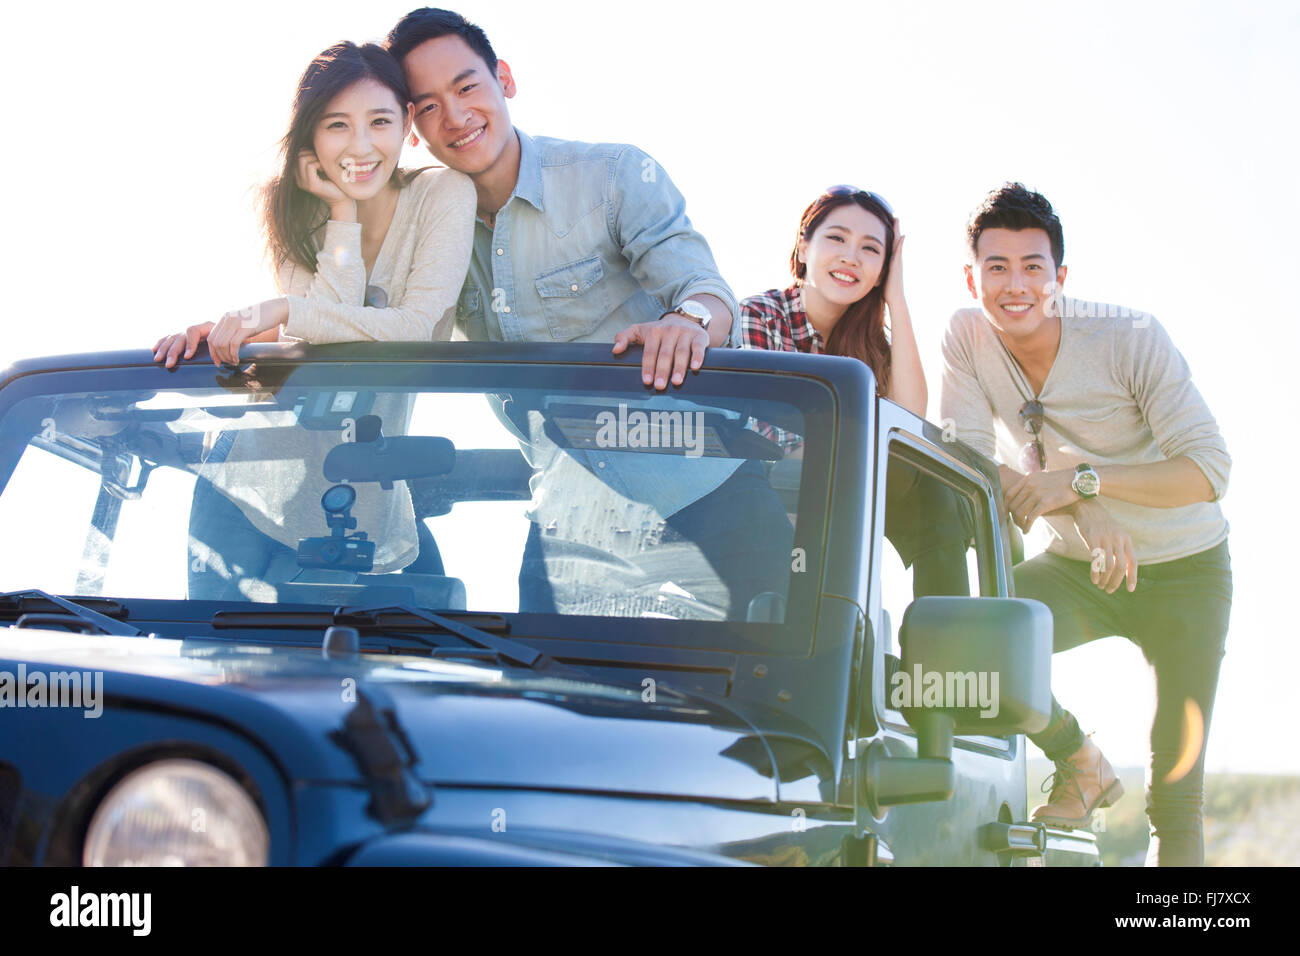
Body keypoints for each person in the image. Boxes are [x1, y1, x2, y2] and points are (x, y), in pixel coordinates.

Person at [385, 9, 792, 619]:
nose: (457, 116)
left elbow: (704, 288)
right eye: (428, 107)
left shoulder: (613, 176)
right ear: (414, 129)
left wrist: (688, 323)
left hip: (706, 501)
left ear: (505, 79)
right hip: (568, 520)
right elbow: (364, 311)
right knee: (541, 701)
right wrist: (253, 324)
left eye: (467, 86)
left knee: (770, 699)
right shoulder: (425, 229)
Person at [940, 183, 1232, 866]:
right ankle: (1082, 762)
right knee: (968, 644)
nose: (1015, 286)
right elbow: (973, 464)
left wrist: (1081, 479)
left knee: (1176, 795)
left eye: (1033, 267)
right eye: (997, 267)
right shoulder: (967, 336)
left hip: (1187, 569)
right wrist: (1084, 509)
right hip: (1078, 570)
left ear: (1061, 278)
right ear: (971, 275)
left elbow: (1210, 470)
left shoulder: (1129, 339)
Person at [150, 41, 476, 597]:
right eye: (337, 126)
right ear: (310, 138)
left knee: (380, 670)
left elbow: (414, 329)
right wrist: (342, 215)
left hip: (368, 494)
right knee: (227, 674)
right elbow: (324, 347)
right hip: (244, 496)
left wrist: (282, 309)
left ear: (407, 129)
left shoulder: (442, 193)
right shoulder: (292, 207)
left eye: (380, 122)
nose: (361, 146)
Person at [740, 185, 971, 598]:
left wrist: (896, 298)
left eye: (870, 249)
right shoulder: (761, 317)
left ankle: (941, 637)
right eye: (837, 238)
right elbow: (769, 442)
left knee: (935, 489)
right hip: (768, 509)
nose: (850, 257)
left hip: (840, 496)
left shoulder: (871, 347)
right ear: (804, 244)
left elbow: (907, 431)